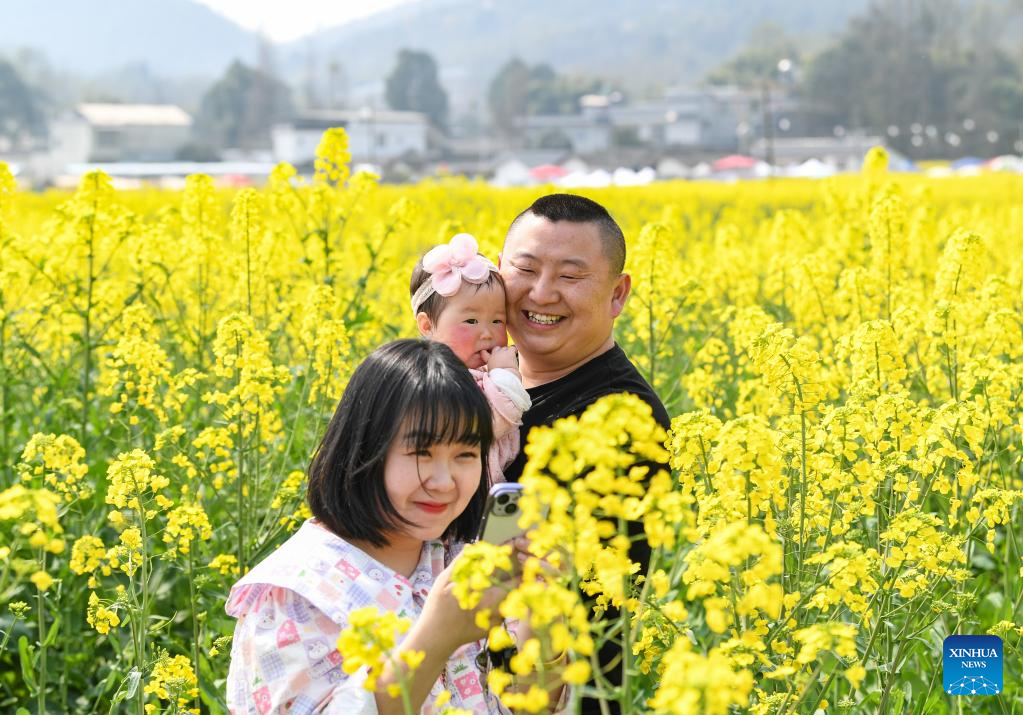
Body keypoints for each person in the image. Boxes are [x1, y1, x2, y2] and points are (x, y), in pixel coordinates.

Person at [225, 340, 517, 714]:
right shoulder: (296, 593)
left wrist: (543, 628)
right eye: (421, 453)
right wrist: (438, 635)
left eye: (465, 454)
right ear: (364, 450)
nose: (445, 482)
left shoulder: (457, 556)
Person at [499, 193, 670, 715]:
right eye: (524, 269)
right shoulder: (487, 385)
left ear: (617, 295)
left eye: (571, 277)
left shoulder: (619, 419)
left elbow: (535, 587)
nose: (542, 293)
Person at [410, 232, 531, 489]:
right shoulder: (431, 379)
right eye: (471, 321)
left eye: (498, 321)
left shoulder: (480, 372)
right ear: (427, 325)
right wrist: (506, 376)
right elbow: (485, 424)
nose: (487, 333)